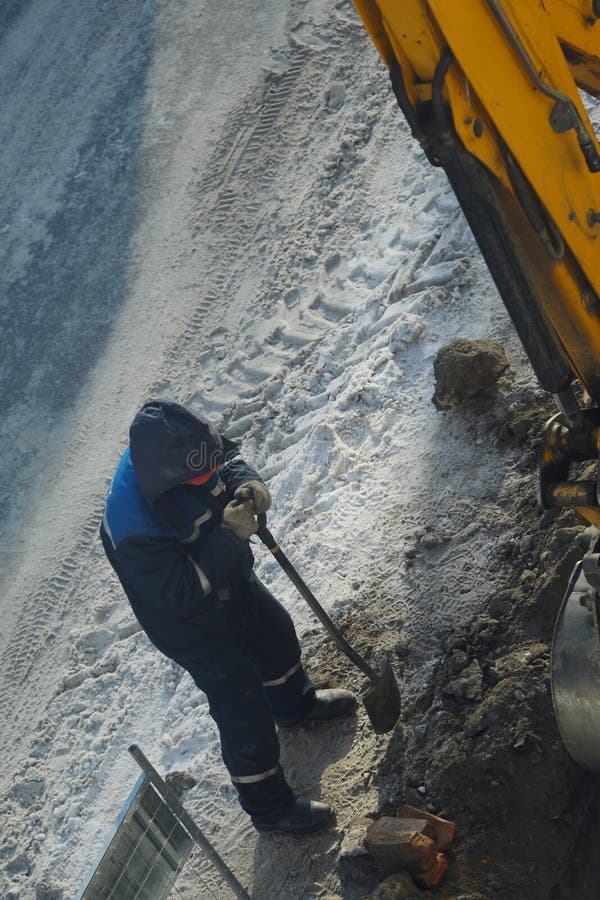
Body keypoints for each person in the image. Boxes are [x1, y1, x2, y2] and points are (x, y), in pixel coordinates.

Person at [100, 399, 357, 834]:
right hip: (190, 624)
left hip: (228, 577)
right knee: (241, 705)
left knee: (275, 633)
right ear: (169, 478)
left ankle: (296, 706)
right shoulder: (132, 525)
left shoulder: (183, 443)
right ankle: (270, 809)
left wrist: (247, 483)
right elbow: (180, 591)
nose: (210, 479)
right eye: (201, 477)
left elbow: (227, 461)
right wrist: (229, 535)